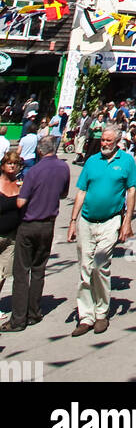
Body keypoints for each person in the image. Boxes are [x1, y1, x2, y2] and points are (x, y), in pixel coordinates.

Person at [67, 122, 136, 336]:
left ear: (117, 141)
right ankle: (85, 316)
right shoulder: (92, 161)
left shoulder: (126, 161)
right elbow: (81, 191)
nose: (104, 144)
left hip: (111, 221)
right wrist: (73, 221)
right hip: (87, 220)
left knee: (99, 265)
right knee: (84, 268)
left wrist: (127, 222)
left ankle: (101, 313)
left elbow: (132, 191)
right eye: (103, 140)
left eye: (109, 140)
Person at [3, 137, 70, 331]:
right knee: (39, 269)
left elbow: (20, 203)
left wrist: (21, 189)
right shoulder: (63, 168)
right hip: (48, 224)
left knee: (21, 272)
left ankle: (18, 319)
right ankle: (34, 312)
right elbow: (63, 194)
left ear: (39, 152)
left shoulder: (34, 171)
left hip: (29, 224)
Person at [0, 148, 23, 297]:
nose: (12, 166)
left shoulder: (21, 185)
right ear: (3, 165)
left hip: (11, 237)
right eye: (9, 163)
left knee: (2, 274)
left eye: (15, 163)